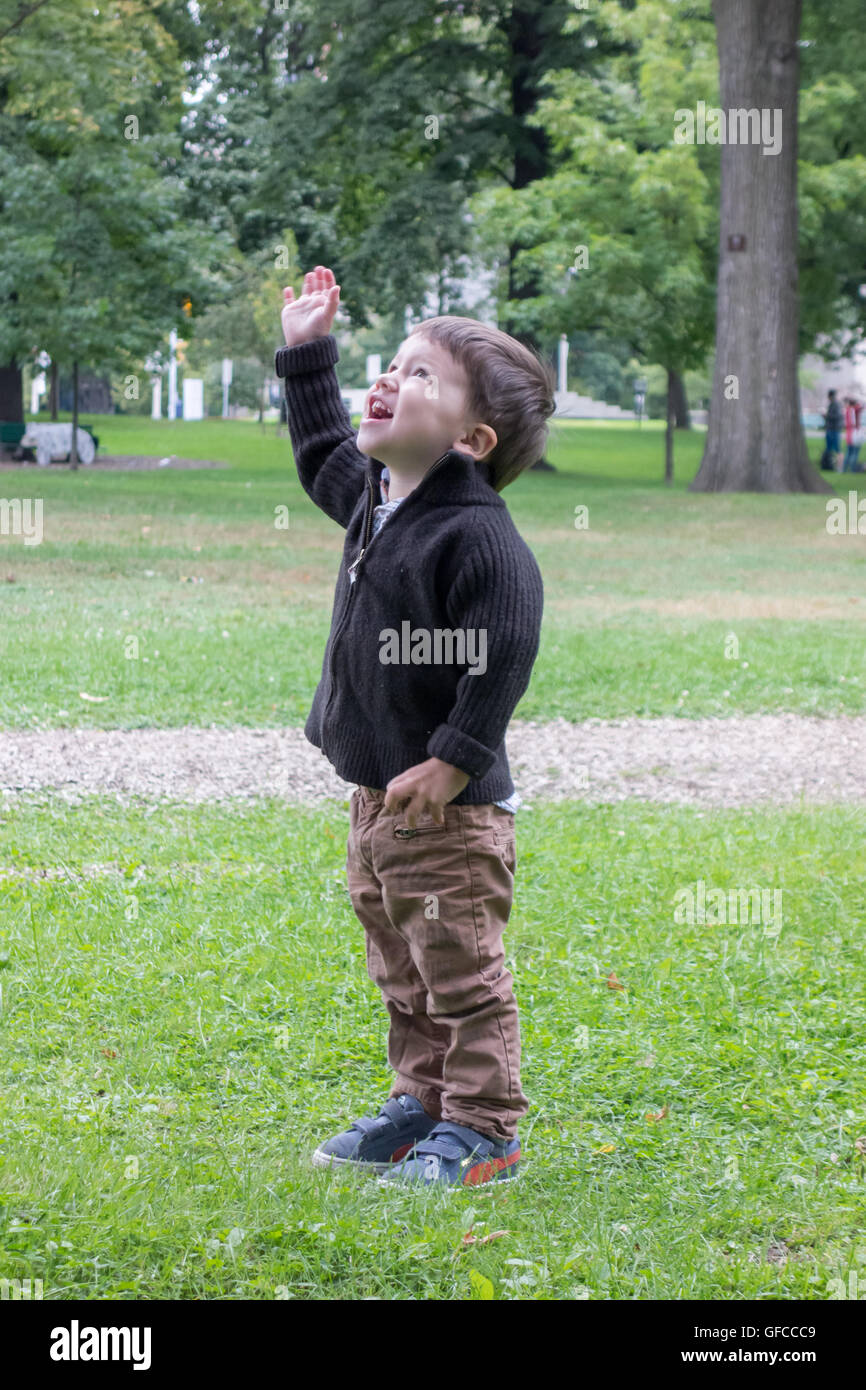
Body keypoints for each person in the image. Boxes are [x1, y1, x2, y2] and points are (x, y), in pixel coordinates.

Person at [274, 265, 553, 1189]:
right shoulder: (376, 497)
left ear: (473, 440)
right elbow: (321, 449)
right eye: (391, 365)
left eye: (421, 375)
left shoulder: (475, 534)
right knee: (402, 961)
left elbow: (504, 647)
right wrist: (308, 349)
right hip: (377, 801)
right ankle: (424, 1099)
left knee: (459, 966)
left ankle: (485, 1126)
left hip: (449, 815)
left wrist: (454, 760)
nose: (390, 380)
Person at [821, 389, 843, 471]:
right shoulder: (831, 404)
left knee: (837, 448)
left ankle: (839, 467)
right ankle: (828, 465)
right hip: (830, 429)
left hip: (834, 430)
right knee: (829, 448)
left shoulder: (836, 405)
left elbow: (837, 417)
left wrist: (827, 415)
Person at [843, 395, 864, 473]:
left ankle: (844, 469)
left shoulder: (847, 410)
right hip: (855, 434)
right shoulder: (855, 409)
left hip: (849, 434)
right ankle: (852, 469)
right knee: (855, 452)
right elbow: (861, 406)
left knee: (849, 452)